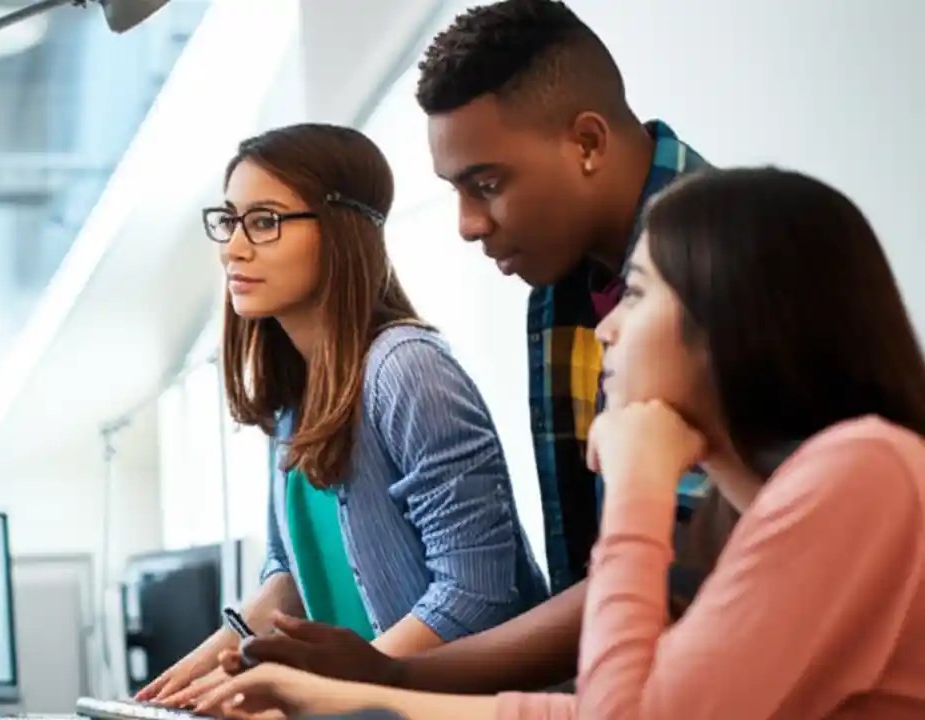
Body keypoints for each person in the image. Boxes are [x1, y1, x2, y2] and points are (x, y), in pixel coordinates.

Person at [196, 166, 925, 719]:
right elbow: (603, 708)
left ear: (731, 317)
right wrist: (341, 699)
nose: (607, 328)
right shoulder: (787, 500)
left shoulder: (861, 470)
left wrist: (638, 488)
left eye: (635, 295)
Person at [218, 0, 713, 693]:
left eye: (487, 184)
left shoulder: (720, 267)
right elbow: (603, 584)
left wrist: (381, 679)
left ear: (589, 144)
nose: (468, 225)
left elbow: (667, 573)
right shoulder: (564, 289)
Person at [136, 123, 548, 707]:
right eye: (229, 221)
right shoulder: (295, 394)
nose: (233, 245)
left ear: (340, 231)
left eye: (265, 221)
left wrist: (329, 686)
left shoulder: (406, 369)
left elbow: (477, 592)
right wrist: (185, 682)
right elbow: (288, 574)